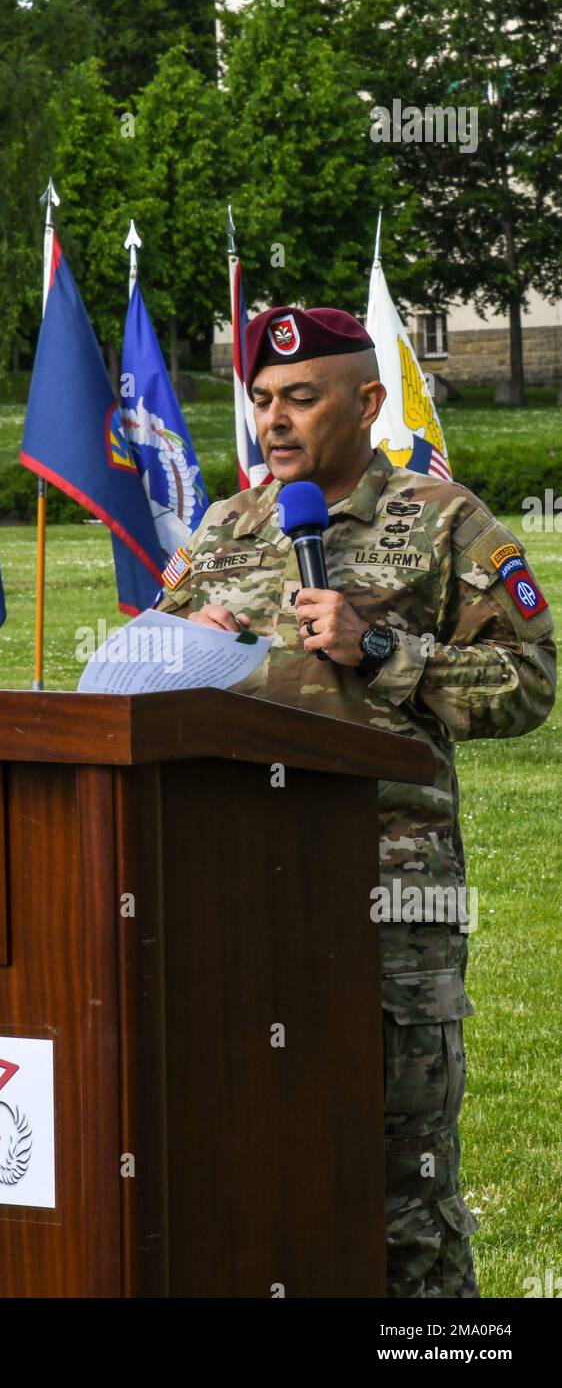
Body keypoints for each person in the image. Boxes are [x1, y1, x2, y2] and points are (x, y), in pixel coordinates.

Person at [153, 305, 556, 1297]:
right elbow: (134, 683)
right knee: (247, 1165)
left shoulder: (442, 522)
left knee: (399, 1193)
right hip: (233, 890)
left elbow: (529, 685)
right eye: (259, 400)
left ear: (367, 402)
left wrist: (385, 651)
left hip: (389, 906)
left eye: (298, 397)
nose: (273, 421)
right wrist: (176, 646)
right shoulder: (224, 528)